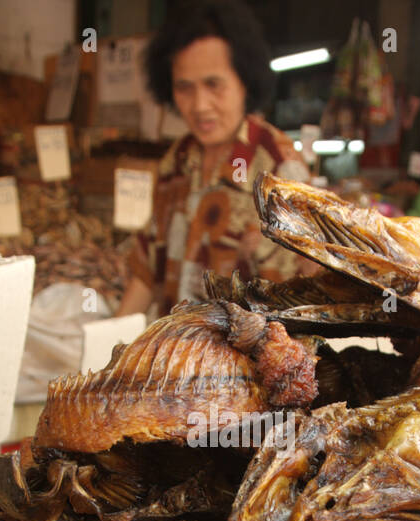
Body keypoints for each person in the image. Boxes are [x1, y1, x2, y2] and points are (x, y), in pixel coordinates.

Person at [116, 0, 312, 318]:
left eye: (213, 85)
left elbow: (302, 296)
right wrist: (114, 348)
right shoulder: (176, 161)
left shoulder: (279, 164)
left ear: (244, 80)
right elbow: (147, 269)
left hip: (243, 362)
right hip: (173, 354)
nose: (200, 105)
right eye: (185, 88)